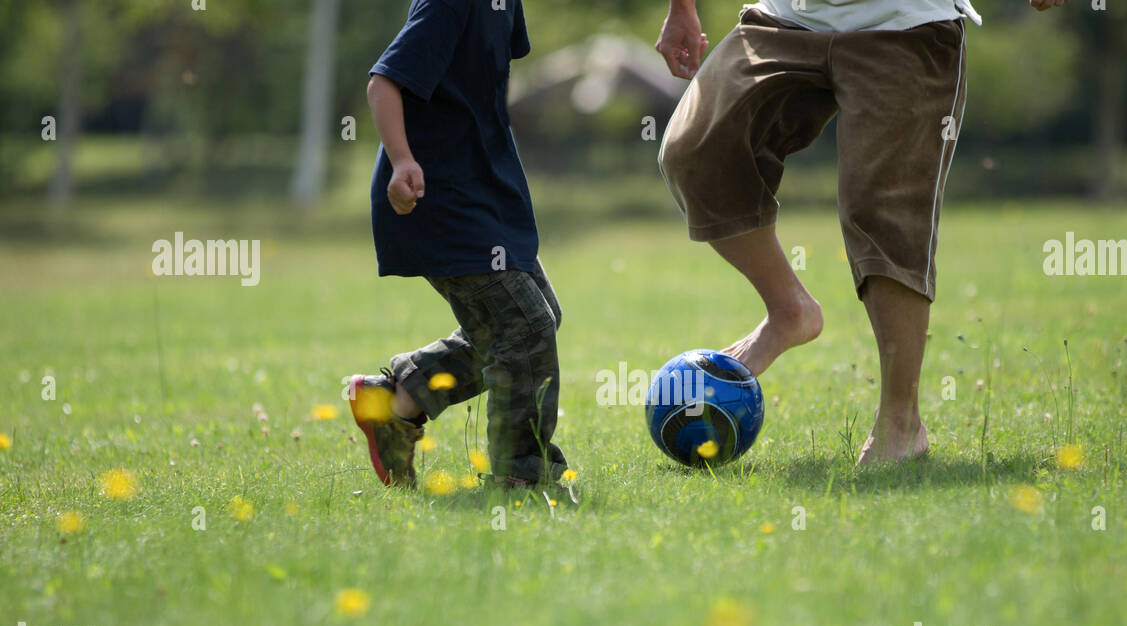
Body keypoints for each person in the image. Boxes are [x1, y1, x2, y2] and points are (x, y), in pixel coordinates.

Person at [655, 0, 1068, 464]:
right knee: (695, 151)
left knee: (882, 209)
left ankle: (900, 422)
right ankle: (790, 310)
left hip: (905, 23)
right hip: (788, 17)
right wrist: (682, 7)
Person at [349, 0, 568, 489]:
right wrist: (403, 161)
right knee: (525, 324)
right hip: (437, 197)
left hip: (485, 190)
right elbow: (383, 83)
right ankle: (520, 475)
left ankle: (397, 402)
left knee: (536, 318)